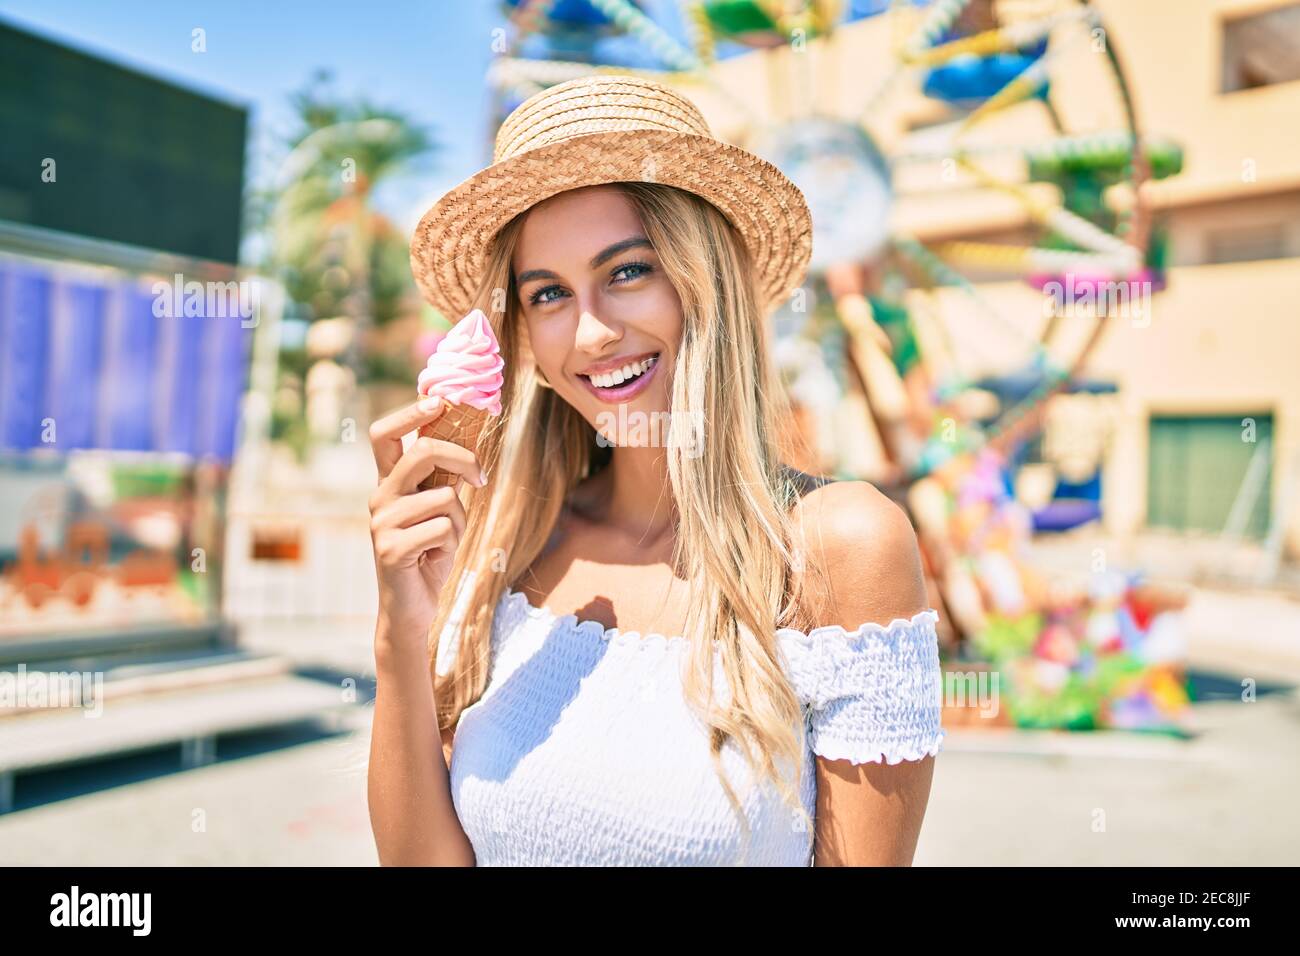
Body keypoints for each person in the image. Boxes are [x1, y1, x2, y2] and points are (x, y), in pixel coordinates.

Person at [366, 75, 944, 866]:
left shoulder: (841, 550)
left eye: (629, 271)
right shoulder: (510, 547)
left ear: (704, 277)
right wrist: (401, 629)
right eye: (548, 294)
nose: (594, 331)